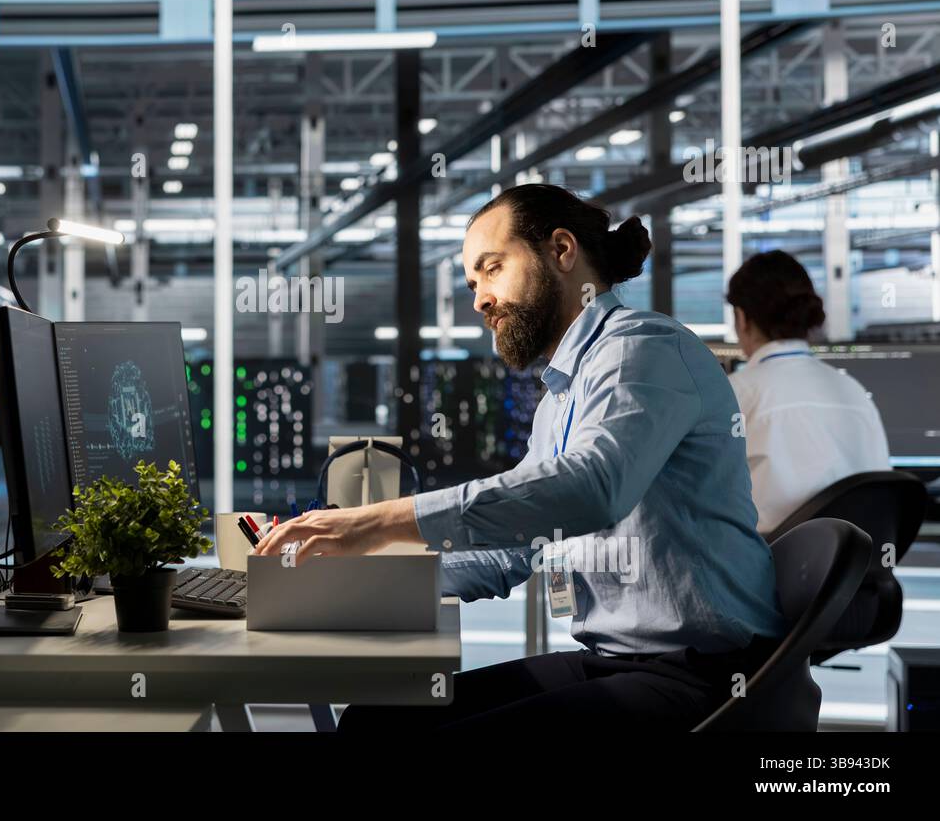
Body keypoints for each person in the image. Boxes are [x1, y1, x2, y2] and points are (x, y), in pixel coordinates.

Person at [255, 183, 787, 731]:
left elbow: (592, 489)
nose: (480, 298)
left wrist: (377, 521)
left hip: (705, 680)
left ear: (560, 251)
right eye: (472, 282)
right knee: (377, 722)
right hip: (619, 663)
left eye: (492, 269)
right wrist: (350, 577)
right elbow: (509, 551)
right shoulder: (561, 395)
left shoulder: (640, 348)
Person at [726, 250, 890, 535]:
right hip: (860, 572)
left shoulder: (737, 394)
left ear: (742, 318)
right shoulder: (853, 391)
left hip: (772, 573)